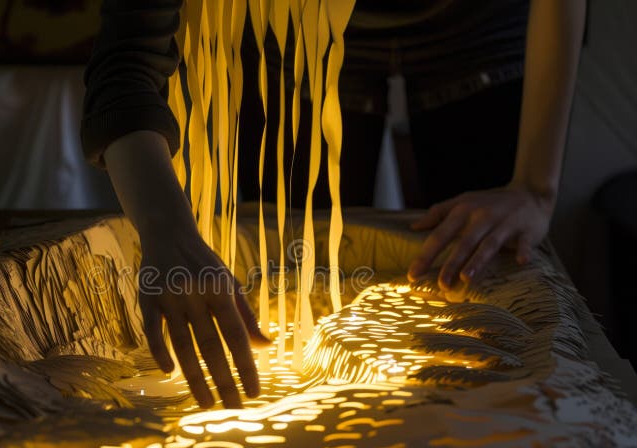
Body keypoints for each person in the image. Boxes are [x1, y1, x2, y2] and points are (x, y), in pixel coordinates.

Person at [81, 0, 586, 409]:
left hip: (478, 37)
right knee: (280, 282)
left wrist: (533, 189)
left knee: (489, 310)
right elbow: (126, 64)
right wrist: (167, 230)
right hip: (293, 48)